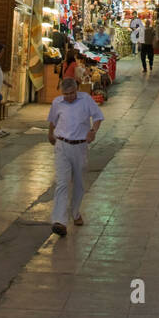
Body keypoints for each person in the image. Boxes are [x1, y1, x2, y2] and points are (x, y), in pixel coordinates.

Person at [47, 77, 104, 236]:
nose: (69, 97)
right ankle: (60, 221)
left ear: (76, 90)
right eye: (66, 94)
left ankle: (76, 212)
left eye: (72, 93)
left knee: (78, 182)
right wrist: (50, 134)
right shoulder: (57, 102)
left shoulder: (86, 99)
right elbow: (53, 120)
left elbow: (98, 117)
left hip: (80, 146)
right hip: (62, 146)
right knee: (62, 182)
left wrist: (93, 131)